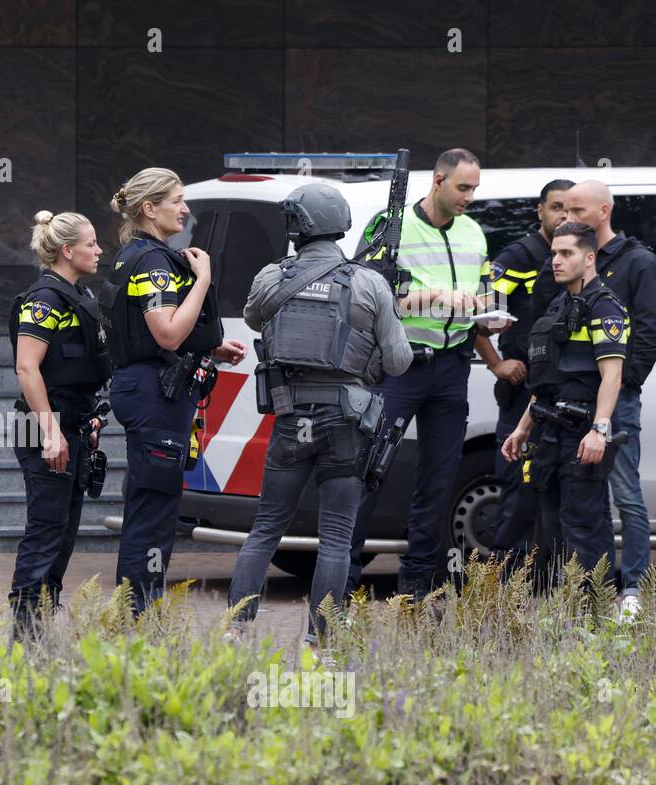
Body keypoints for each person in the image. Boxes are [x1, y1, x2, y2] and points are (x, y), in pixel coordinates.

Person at [227, 183, 412, 650]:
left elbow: (253, 319)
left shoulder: (272, 277)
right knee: (336, 536)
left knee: (267, 526)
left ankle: (237, 630)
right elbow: (398, 362)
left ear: (295, 225)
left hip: (291, 418)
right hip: (347, 424)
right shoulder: (370, 282)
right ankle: (319, 641)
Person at [346, 148, 490, 600]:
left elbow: (484, 289)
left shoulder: (473, 232)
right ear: (438, 179)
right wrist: (437, 298)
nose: (469, 196)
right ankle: (342, 582)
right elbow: (361, 291)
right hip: (400, 365)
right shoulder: (390, 226)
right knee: (368, 470)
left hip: (451, 368)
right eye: (463, 187)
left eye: (474, 189)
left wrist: (487, 307)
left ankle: (417, 586)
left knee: (439, 477)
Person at [102, 167, 246, 614]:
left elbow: (155, 333)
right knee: (154, 509)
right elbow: (165, 334)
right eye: (176, 200)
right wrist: (203, 279)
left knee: (151, 503)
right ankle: (139, 614)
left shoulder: (137, 255)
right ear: (150, 208)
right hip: (154, 394)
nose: (185, 209)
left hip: (151, 387)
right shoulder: (154, 261)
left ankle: (139, 610)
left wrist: (211, 346)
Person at [529, 181, 656, 618]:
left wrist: (608, 412)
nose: (569, 216)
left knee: (611, 506)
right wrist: (526, 425)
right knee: (565, 517)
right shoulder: (563, 289)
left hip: (600, 413)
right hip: (560, 419)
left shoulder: (626, 278)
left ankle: (621, 595)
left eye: (578, 209)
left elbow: (630, 351)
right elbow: (550, 365)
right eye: (554, 253)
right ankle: (569, 606)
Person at [501, 222, 627, 587]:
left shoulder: (605, 307)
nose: (555, 260)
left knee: (583, 529)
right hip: (549, 432)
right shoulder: (559, 304)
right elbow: (546, 383)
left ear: (589, 259)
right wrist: (522, 428)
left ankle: (590, 620)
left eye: (566, 253)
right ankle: (559, 621)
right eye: (554, 253)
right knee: (550, 531)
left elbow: (612, 376)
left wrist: (599, 430)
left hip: (583, 431)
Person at [7, 211, 112, 639]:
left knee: (62, 537)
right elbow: (27, 369)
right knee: (45, 532)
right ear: (67, 251)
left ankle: (39, 631)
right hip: (44, 431)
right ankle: (24, 637)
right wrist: (51, 432)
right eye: (91, 244)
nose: (99, 250)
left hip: (72, 428)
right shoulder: (44, 300)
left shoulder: (77, 295)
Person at [479, 179, 574, 567]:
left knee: (558, 492)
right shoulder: (520, 256)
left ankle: (548, 580)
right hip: (523, 391)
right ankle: (504, 587)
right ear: (540, 211)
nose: (564, 215)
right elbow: (480, 315)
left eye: (572, 209)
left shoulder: (577, 255)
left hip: (565, 389)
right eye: (556, 207)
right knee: (518, 488)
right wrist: (496, 363)